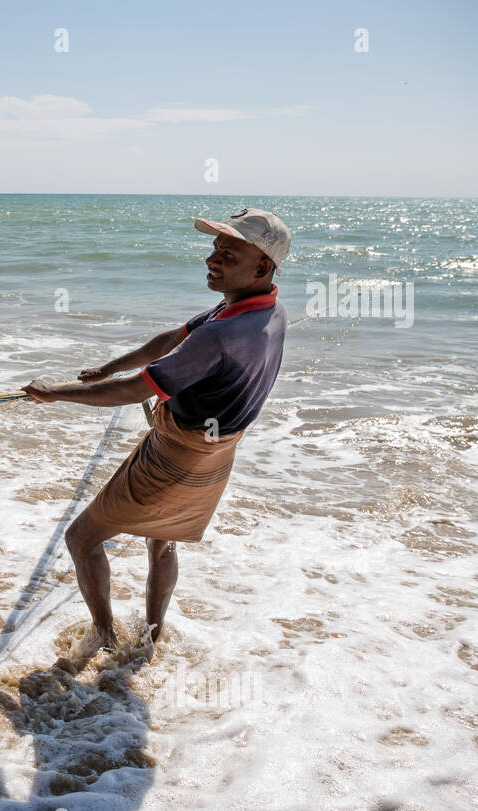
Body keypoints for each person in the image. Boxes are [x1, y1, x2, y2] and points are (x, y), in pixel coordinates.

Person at [21, 208, 291, 660]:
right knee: (161, 540)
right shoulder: (264, 308)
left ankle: (104, 638)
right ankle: (151, 637)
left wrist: (56, 392)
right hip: (216, 455)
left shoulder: (222, 334)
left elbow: (134, 390)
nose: (212, 259)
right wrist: (110, 365)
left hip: (175, 457)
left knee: (81, 539)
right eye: (214, 248)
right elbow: (172, 338)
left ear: (261, 266)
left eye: (228, 253)